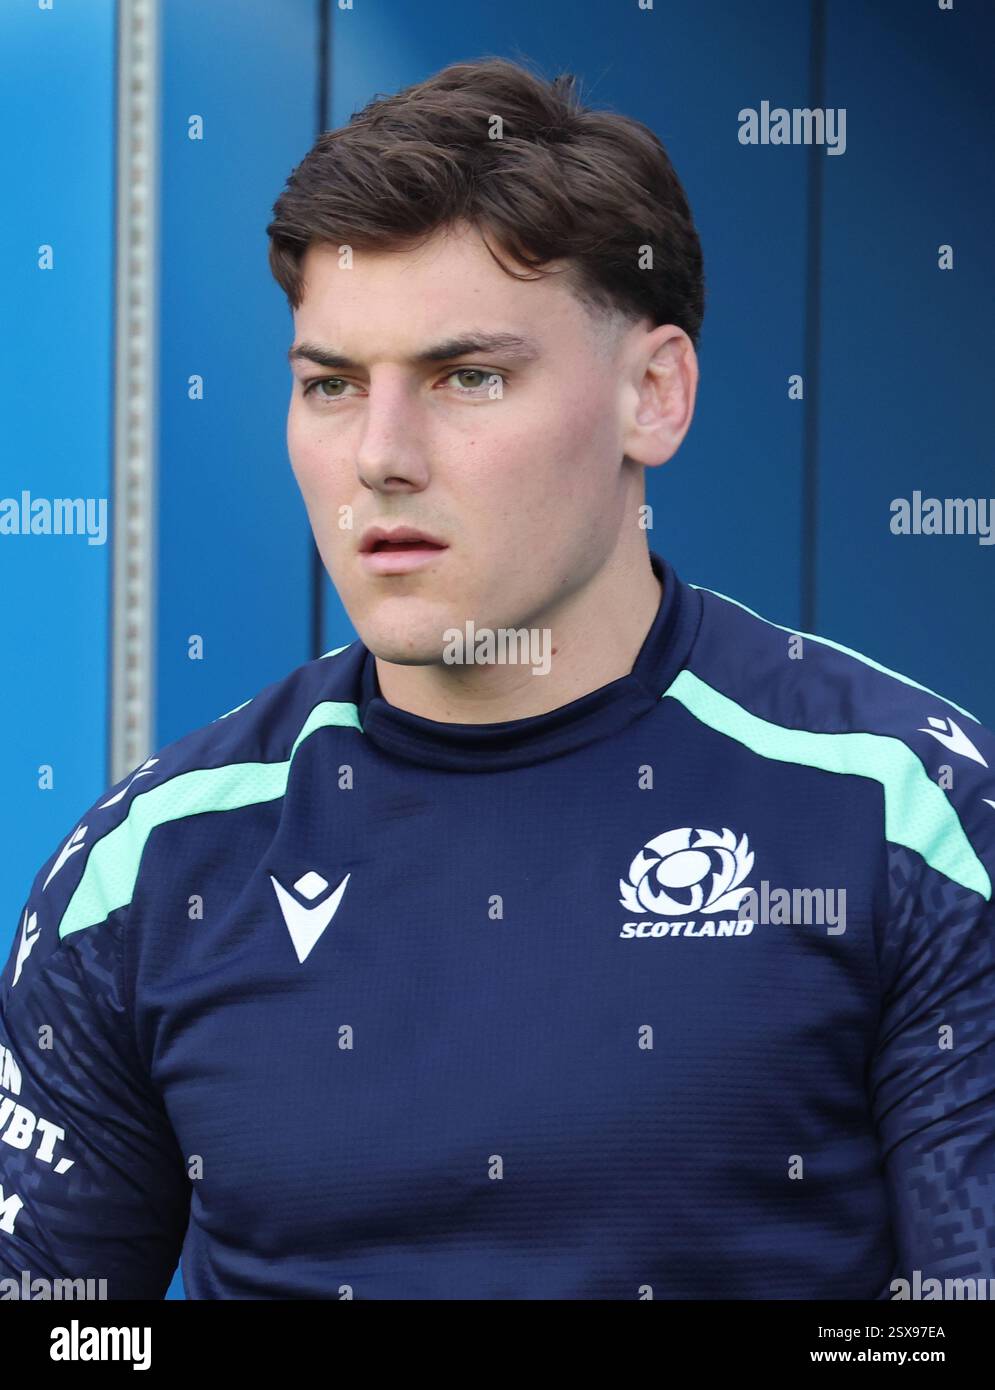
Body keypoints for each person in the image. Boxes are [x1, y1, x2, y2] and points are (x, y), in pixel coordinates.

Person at [2, 56, 993, 1301]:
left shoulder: (906, 816)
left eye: (467, 377)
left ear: (653, 394)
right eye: (330, 385)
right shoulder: (149, 870)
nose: (380, 457)